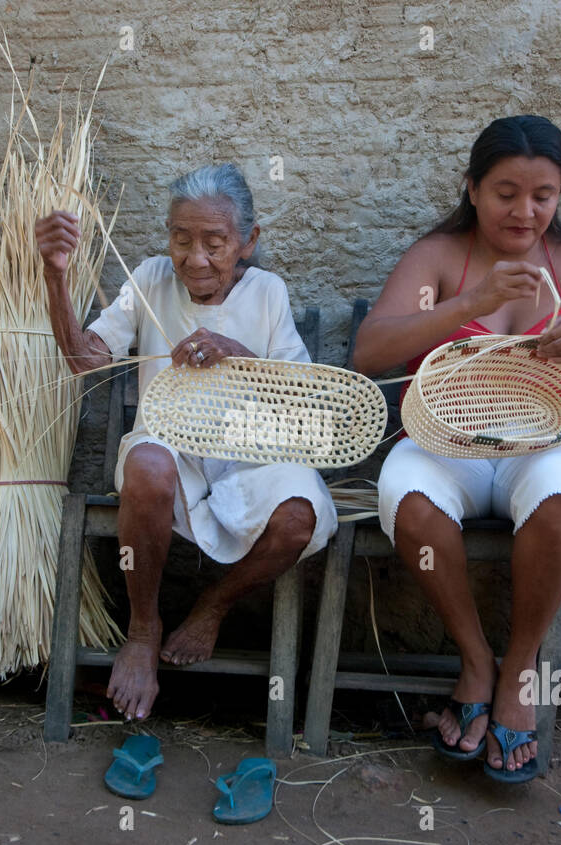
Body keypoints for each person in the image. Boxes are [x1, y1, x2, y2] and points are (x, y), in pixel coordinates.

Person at [352, 116, 561, 781]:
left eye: (543, 195)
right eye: (505, 192)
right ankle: (474, 659)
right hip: (446, 439)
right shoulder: (437, 256)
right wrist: (469, 300)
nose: (526, 211)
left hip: (549, 439)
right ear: (471, 188)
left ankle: (519, 672)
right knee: (407, 500)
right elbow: (372, 352)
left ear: (560, 195)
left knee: (558, 501)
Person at [35, 163, 338, 722]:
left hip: (252, 457)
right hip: (169, 446)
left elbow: (304, 397)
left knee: (299, 516)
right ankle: (144, 629)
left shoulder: (267, 292)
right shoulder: (150, 280)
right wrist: (56, 276)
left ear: (247, 243)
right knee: (147, 464)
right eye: (181, 239)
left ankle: (212, 606)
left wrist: (237, 353)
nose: (195, 258)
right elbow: (83, 360)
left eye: (214, 242)